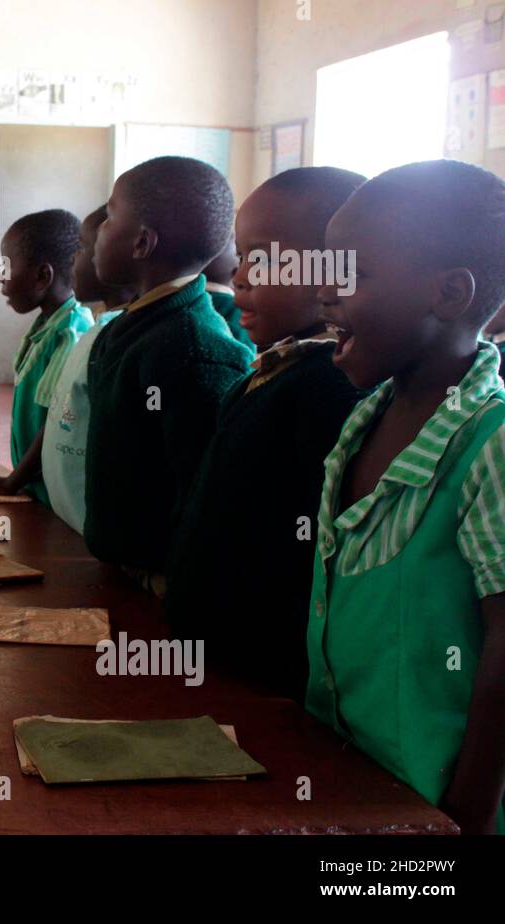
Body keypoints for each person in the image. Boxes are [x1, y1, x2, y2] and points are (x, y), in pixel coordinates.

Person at [309, 160, 505, 834]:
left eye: (352, 275)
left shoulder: (492, 440)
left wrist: (464, 821)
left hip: (435, 807)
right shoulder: (367, 415)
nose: (324, 295)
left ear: (450, 294)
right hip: (351, 781)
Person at [163, 167, 368, 698]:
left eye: (265, 258)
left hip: (261, 670)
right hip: (215, 652)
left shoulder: (331, 389)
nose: (241, 276)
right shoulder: (275, 369)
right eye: (242, 255)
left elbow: (304, 558)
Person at [84, 156, 252, 594]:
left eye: (108, 217)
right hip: (120, 562)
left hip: (162, 582)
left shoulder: (195, 350)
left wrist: (175, 586)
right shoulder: (129, 327)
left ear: (142, 243)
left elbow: (202, 495)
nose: (98, 230)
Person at [0, 209, 92, 504]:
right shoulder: (46, 326)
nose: (0, 277)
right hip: (37, 486)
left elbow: (55, 422)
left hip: (57, 495)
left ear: (43, 276)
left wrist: (12, 482)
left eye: (6, 267)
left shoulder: (72, 333)